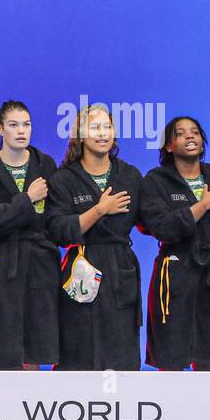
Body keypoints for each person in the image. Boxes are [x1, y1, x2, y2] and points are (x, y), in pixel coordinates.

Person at [46, 104, 143, 371]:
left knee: (121, 350)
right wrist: (99, 210)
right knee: (78, 348)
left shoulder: (130, 175)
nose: (102, 134)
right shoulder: (64, 178)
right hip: (82, 265)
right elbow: (58, 230)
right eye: (94, 127)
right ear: (79, 134)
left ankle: (119, 407)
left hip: (120, 268)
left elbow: (149, 220)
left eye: (107, 127)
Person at [0, 101, 60, 370]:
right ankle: (1, 407)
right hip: (2, 261)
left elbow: (52, 219)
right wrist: (27, 199)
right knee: (1, 346)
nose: (21, 131)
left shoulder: (45, 165)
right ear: (0, 129)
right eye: (13, 125)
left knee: (35, 345)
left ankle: (30, 404)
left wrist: (13, 214)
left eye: (26, 124)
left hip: (39, 262)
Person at [139, 116, 210, 371]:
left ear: (203, 141)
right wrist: (203, 206)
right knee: (170, 355)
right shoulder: (156, 180)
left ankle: (205, 412)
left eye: (195, 132)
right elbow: (162, 226)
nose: (190, 137)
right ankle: (169, 411)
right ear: (169, 146)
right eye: (181, 134)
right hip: (175, 270)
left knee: (209, 356)